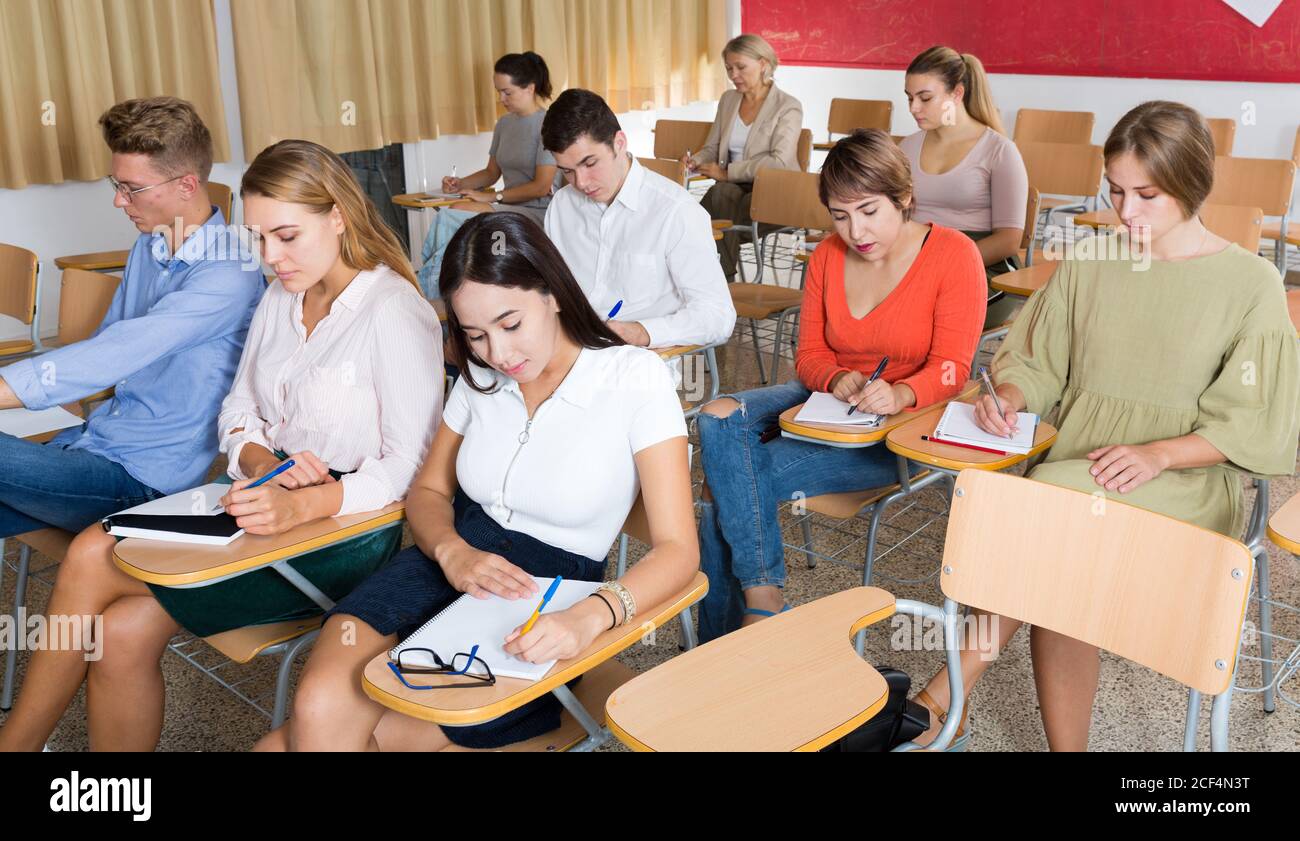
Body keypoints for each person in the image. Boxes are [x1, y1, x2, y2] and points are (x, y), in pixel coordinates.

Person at [0, 140, 443, 751]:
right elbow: (237, 410)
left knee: (88, 554)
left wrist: (307, 502)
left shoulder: (392, 310)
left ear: (338, 215)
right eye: (259, 239)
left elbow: (414, 470)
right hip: (261, 500)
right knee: (123, 632)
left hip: (346, 535)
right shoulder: (280, 296)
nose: (271, 257)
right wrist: (261, 461)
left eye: (286, 236)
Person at [909, 101, 1300, 752]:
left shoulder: (1251, 283)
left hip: (1188, 482)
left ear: (1193, 185)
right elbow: (1036, 364)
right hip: (1082, 467)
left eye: (1147, 194)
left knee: (1052, 517)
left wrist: (1162, 454)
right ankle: (980, 715)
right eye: (1116, 192)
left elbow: (1259, 426)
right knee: (1061, 547)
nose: (1127, 212)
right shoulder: (1092, 261)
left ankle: (940, 699)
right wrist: (1007, 394)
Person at [253, 212, 699, 751]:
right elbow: (429, 493)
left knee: (291, 747)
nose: (499, 354)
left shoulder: (633, 377)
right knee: (317, 706)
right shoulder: (481, 375)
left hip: (548, 597)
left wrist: (589, 617)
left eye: (511, 324)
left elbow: (679, 551)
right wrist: (450, 551)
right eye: (475, 335)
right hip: (446, 560)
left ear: (553, 292)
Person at [694, 129, 987, 643]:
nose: (856, 230)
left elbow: (953, 369)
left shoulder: (954, 255)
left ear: (905, 199)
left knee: (726, 485)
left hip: (900, 428)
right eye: (840, 215)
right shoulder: (828, 255)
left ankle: (725, 641)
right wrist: (836, 376)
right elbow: (808, 356)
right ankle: (764, 600)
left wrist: (901, 394)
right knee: (715, 416)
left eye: (870, 210)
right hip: (828, 404)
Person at [0, 97, 264, 540]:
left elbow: (115, 354)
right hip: (89, 444)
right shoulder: (151, 244)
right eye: (115, 183)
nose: (119, 201)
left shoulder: (228, 276)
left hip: (139, 483)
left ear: (186, 185)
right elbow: (110, 340)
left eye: (132, 188)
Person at [542, 88, 734, 351]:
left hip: (632, 363)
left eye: (590, 163)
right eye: (567, 171)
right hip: (565, 350)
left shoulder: (676, 212)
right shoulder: (563, 204)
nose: (581, 182)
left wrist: (642, 331)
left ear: (619, 143)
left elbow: (718, 317)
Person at [900, 46, 1028, 328]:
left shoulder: (1000, 151)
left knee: (917, 315)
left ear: (957, 94)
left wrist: (941, 263)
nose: (913, 108)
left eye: (925, 98)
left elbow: (1008, 240)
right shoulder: (907, 147)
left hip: (982, 268)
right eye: (909, 98)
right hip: (917, 261)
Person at [688, 33, 805, 282]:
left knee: (699, 217)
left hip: (774, 190)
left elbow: (780, 163)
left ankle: (715, 282)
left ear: (763, 64)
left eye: (741, 67)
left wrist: (727, 172)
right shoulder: (729, 100)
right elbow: (713, 146)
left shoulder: (788, 106)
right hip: (732, 192)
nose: (733, 75)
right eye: (729, 68)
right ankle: (725, 285)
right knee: (722, 199)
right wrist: (696, 160)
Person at [442, 52, 560, 226]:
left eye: (507, 92)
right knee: (457, 210)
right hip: (508, 207)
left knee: (459, 210)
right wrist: (460, 184)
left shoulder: (548, 124)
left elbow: (541, 187)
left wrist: (492, 196)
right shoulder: (504, 123)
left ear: (530, 88)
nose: (501, 99)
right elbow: (491, 172)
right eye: (498, 92)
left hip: (540, 212)